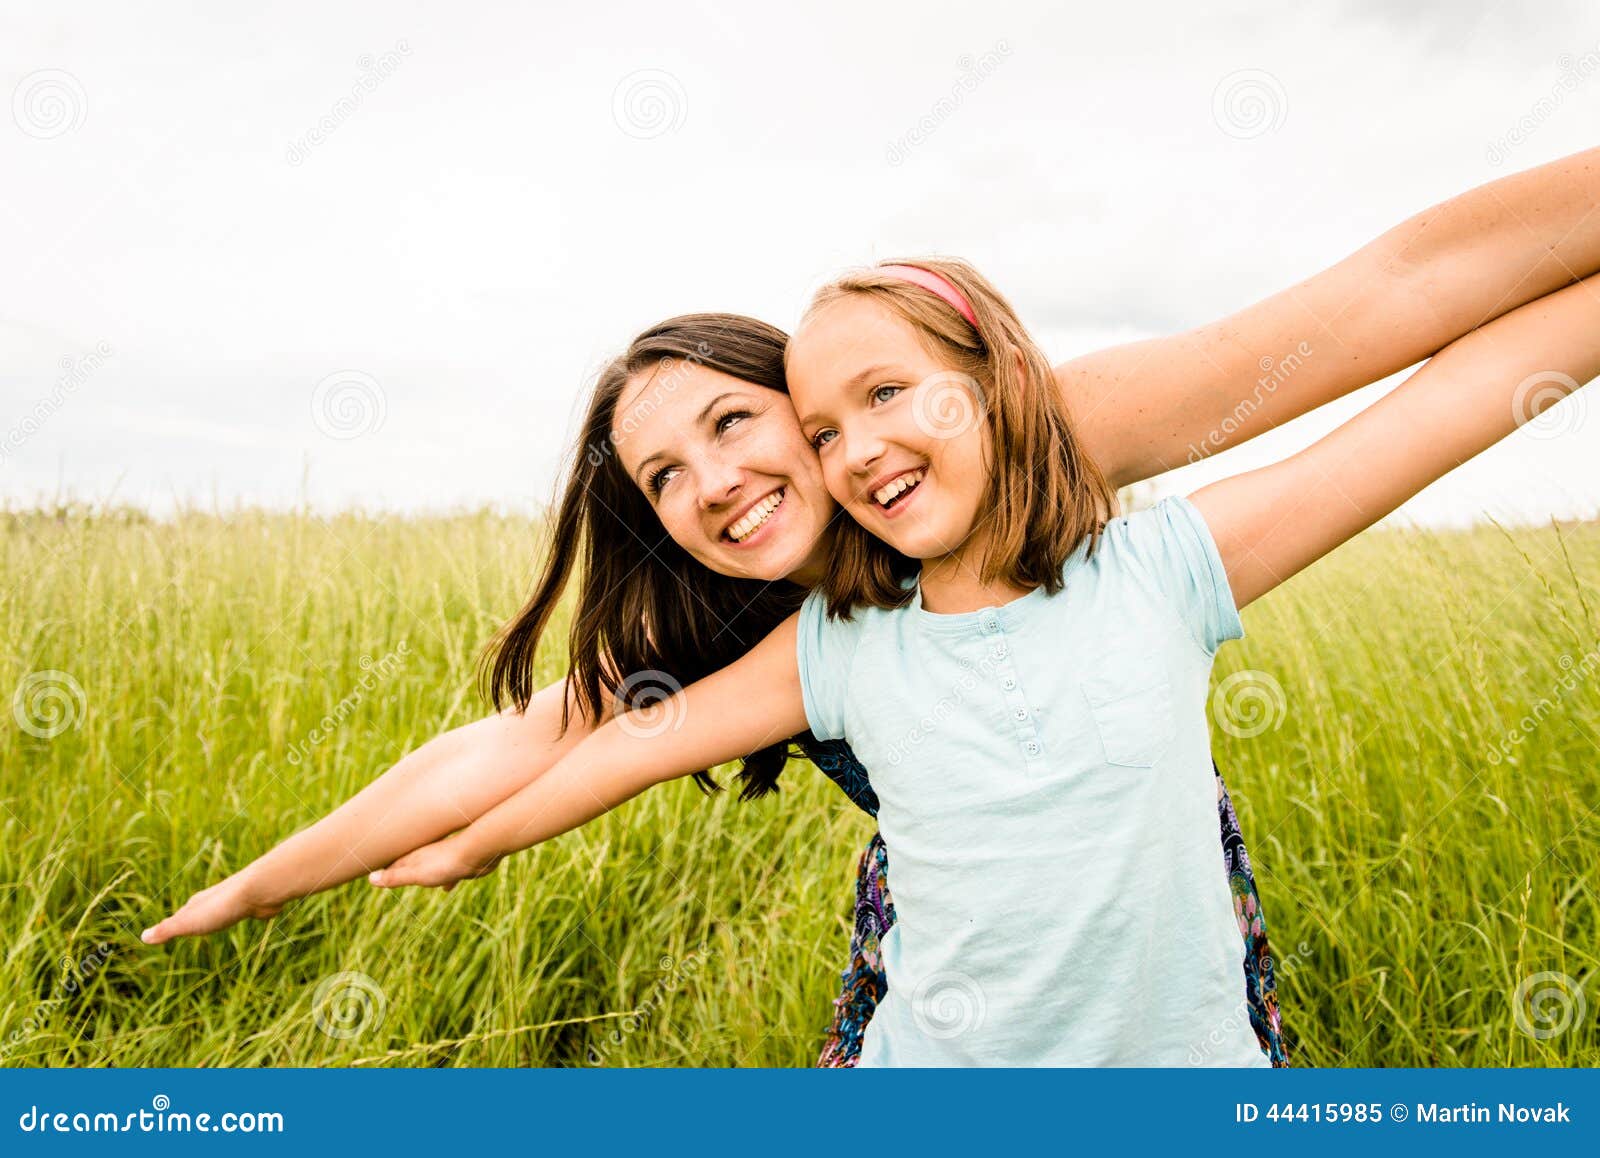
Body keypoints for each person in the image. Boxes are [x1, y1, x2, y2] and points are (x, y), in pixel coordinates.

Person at [144, 148, 1600, 1066]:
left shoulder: (1040, 442)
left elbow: (1395, 304)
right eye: (663, 473)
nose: (719, 483)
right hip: (955, 958)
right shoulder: (780, 621)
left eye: (741, 422)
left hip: (1143, 926)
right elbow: (532, 744)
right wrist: (267, 879)